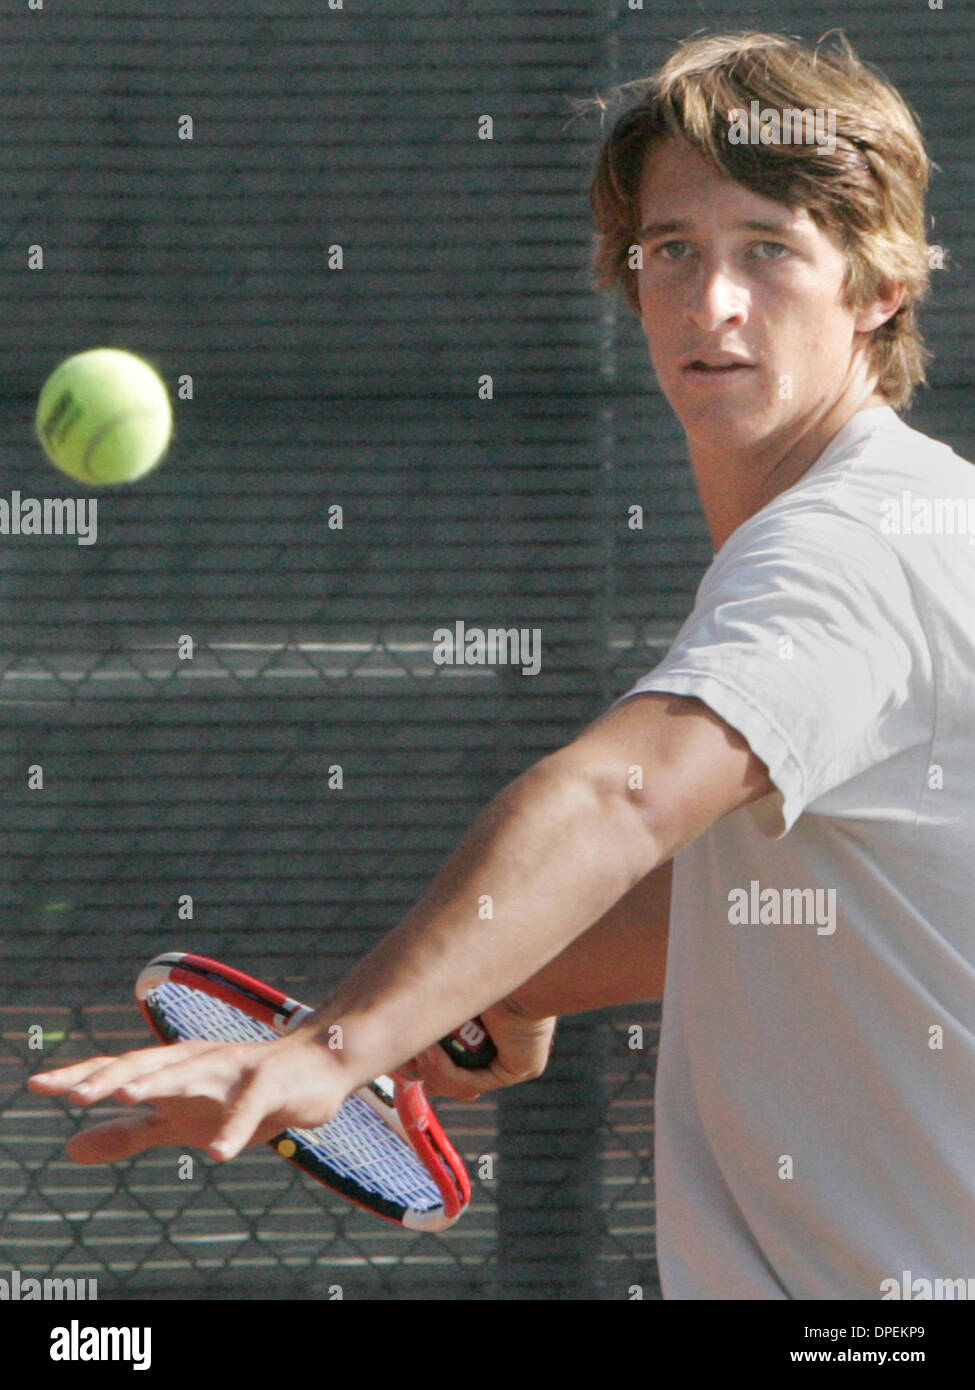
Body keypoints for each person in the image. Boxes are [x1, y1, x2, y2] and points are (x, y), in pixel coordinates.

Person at [32, 30, 975, 1300]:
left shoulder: (848, 554)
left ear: (879, 289)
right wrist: (509, 977)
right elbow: (774, 886)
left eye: (769, 250)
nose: (713, 303)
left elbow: (618, 798)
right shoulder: (919, 521)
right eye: (674, 253)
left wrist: (337, 1042)